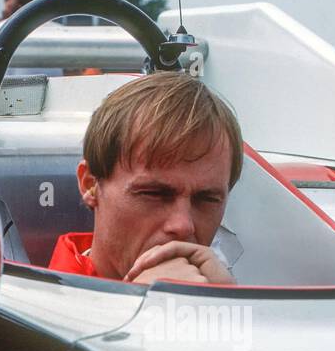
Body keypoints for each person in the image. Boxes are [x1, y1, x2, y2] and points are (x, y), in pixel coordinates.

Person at [47, 72, 242, 285]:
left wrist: (228, 307)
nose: (183, 225)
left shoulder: (226, 299)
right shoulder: (28, 308)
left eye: (207, 199)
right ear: (91, 184)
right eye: (154, 194)